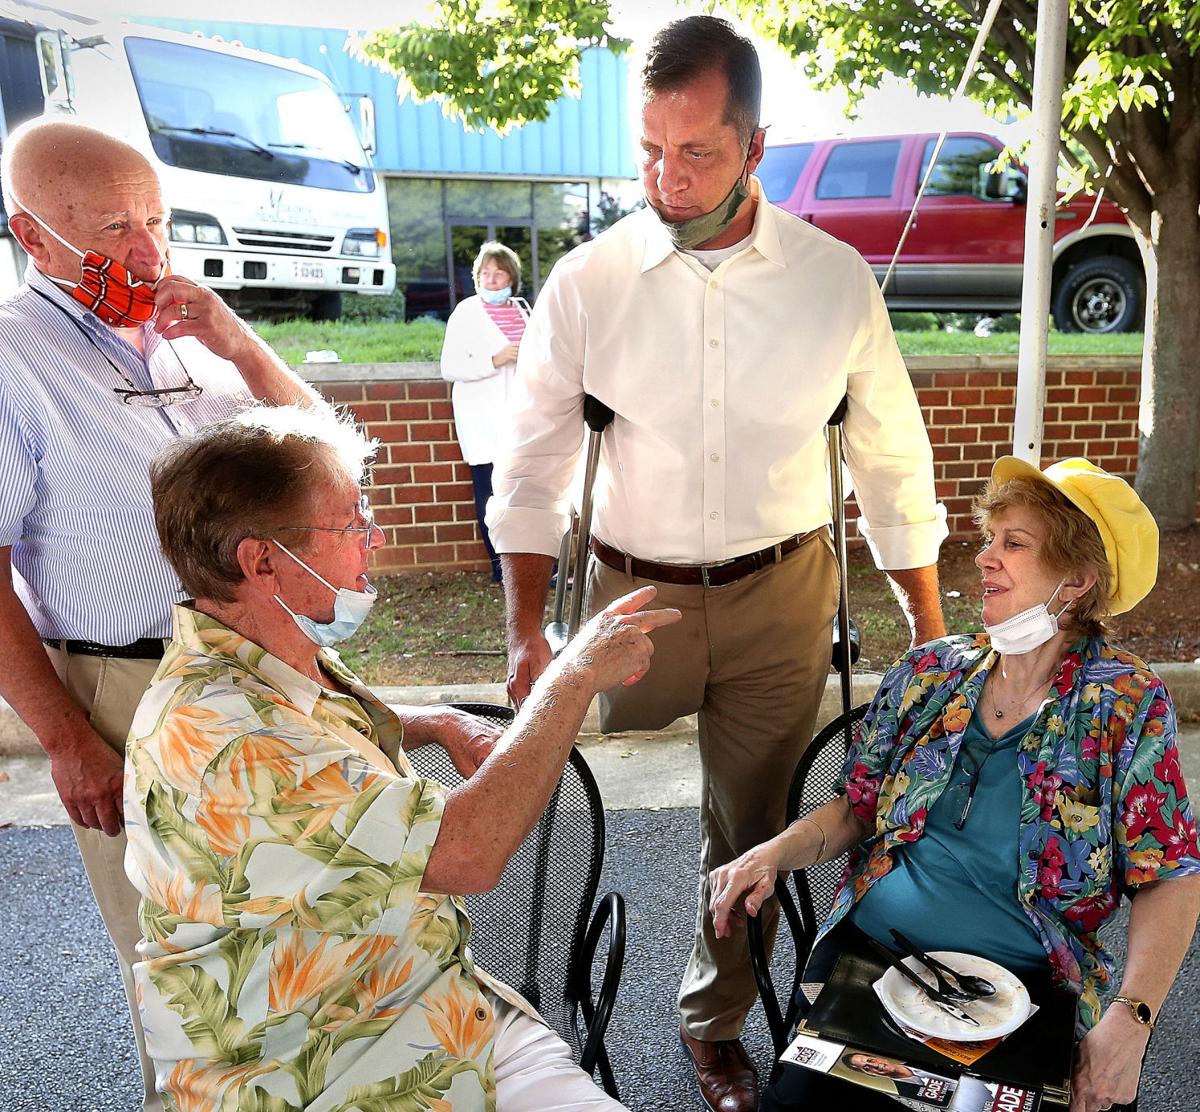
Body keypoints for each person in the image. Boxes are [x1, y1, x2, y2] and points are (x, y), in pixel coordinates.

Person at [485, 16, 946, 1109]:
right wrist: (522, 631)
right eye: (648, 147)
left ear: (757, 145)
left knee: (751, 824)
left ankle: (714, 1019)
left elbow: (890, 462)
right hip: (630, 596)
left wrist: (929, 635)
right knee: (536, 784)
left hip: (782, 588)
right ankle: (499, 1001)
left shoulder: (834, 282)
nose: (667, 175)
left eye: (696, 151)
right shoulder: (589, 284)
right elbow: (535, 464)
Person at [123, 404, 681, 1110]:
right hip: (316, 1068)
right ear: (261, 560)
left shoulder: (265, 663)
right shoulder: (226, 737)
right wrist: (569, 678)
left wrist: (433, 720)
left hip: (421, 1004)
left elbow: (316, 740)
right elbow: (469, 853)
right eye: (350, 522)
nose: (374, 538)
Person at [709, 457, 1200, 1112]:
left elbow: (1169, 875)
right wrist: (772, 852)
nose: (984, 558)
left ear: (1077, 580)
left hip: (1031, 989)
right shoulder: (930, 673)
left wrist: (1131, 1018)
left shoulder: (1127, 703)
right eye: (989, 539)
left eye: (1013, 544)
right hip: (880, 964)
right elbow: (854, 810)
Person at [0, 119, 317, 1110]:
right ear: (34, 237)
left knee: (295, 936)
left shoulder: (188, 336)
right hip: (130, 690)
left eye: (157, 221)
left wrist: (235, 338)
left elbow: (322, 468)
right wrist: (65, 737)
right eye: (113, 228)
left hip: (263, 677)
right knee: (185, 971)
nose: (145, 251)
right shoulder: (16, 357)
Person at [440, 242, 529, 582]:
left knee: (522, 493)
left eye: (499, 273)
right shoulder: (466, 312)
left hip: (520, 417)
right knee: (490, 493)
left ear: (512, 276)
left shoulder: (522, 309)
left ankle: (529, 566)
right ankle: (500, 568)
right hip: (483, 420)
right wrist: (496, 359)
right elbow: (450, 367)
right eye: (485, 274)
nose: (492, 280)